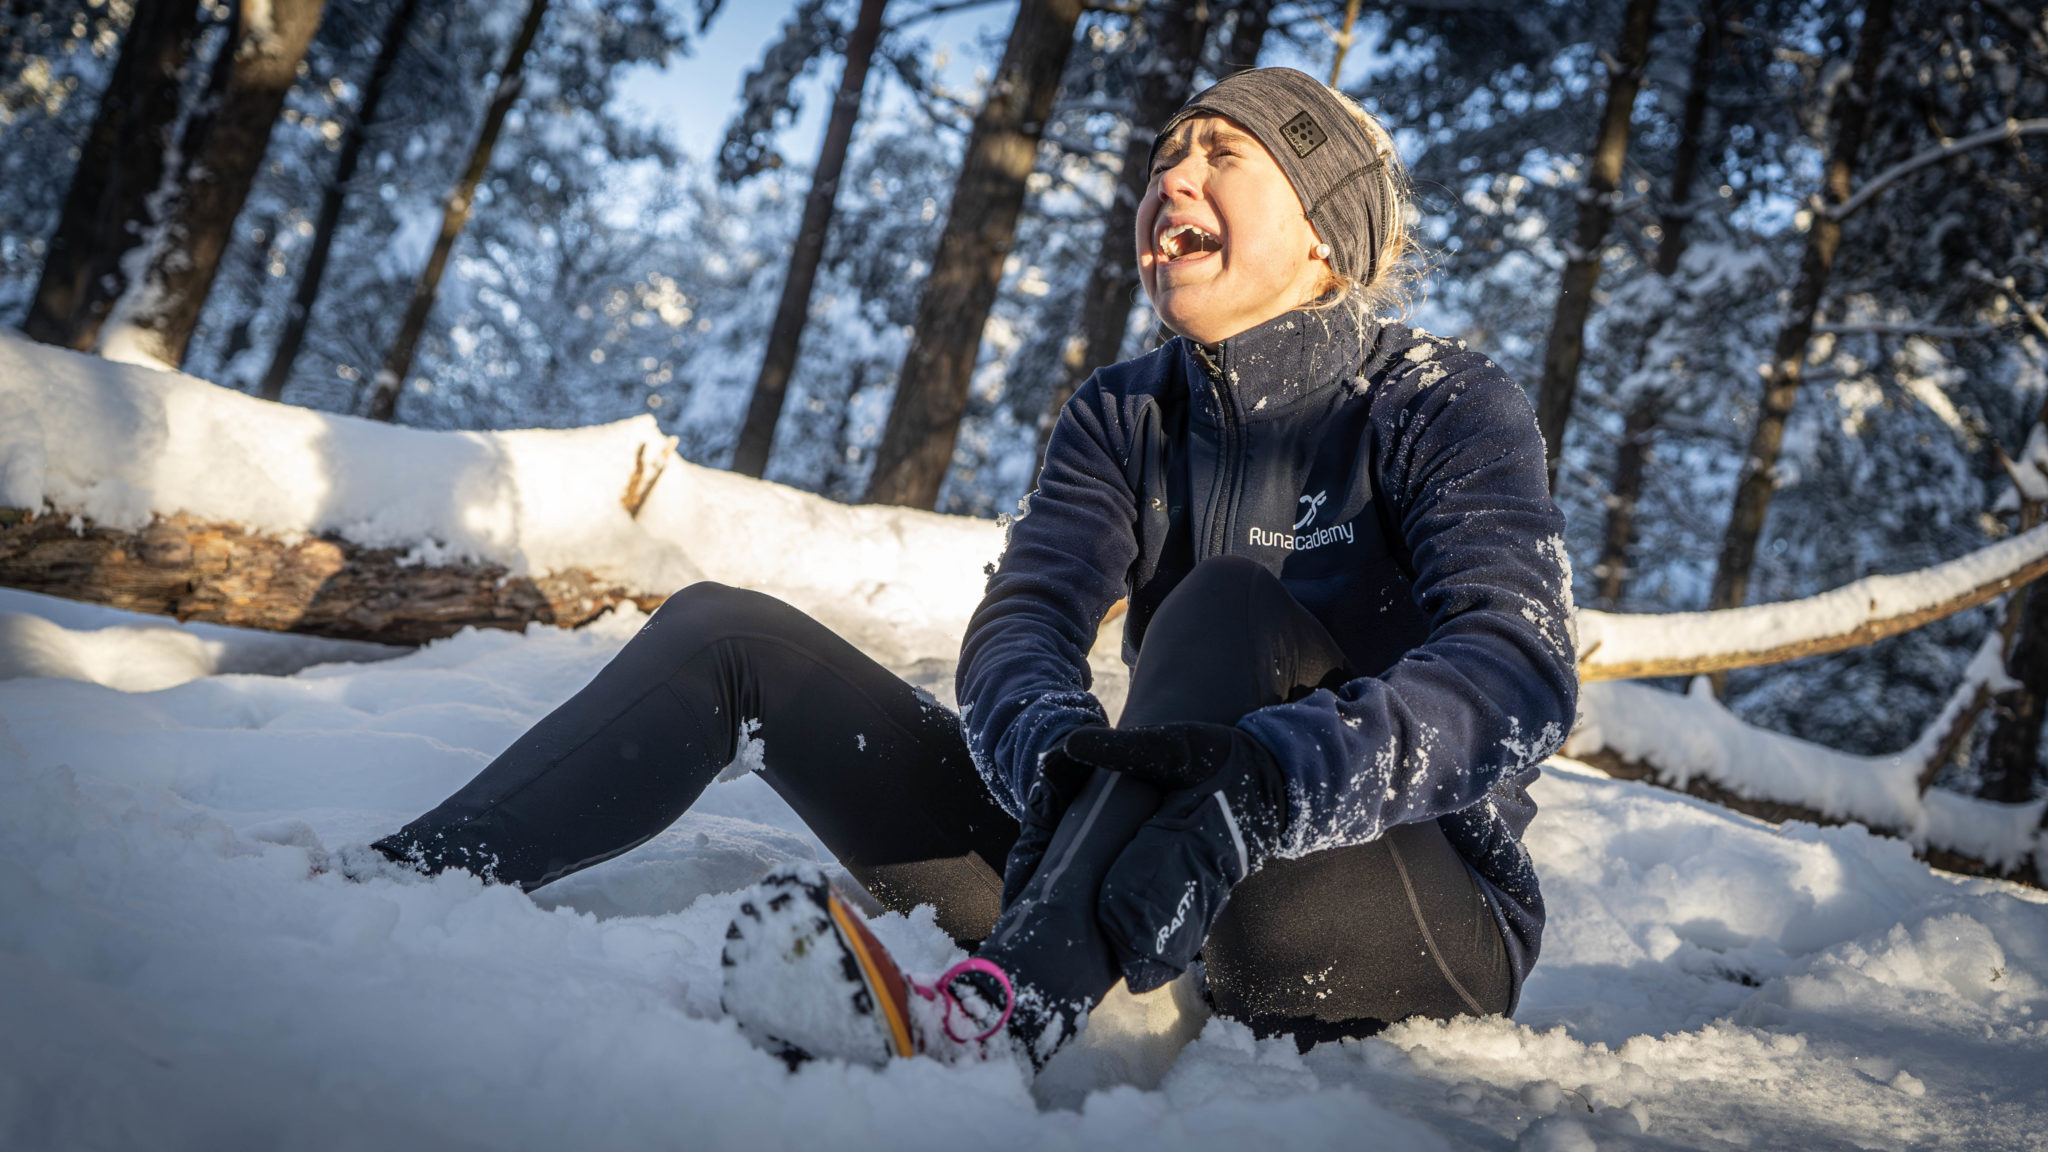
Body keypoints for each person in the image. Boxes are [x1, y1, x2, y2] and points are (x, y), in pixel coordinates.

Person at [371, 66, 1577, 1069]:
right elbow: (1024, 622)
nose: (1170, 179)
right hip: (1130, 888)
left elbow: (1517, 669)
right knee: (728, 637)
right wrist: (1054, 761)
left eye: (1222, 154)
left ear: (1323, 236)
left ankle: (999, 1018)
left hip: (1383, 926)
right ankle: (389, 887)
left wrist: (1265, 784)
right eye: (1163, 158)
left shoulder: (1434, 401)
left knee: (1223, 612)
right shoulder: (1122, 413)